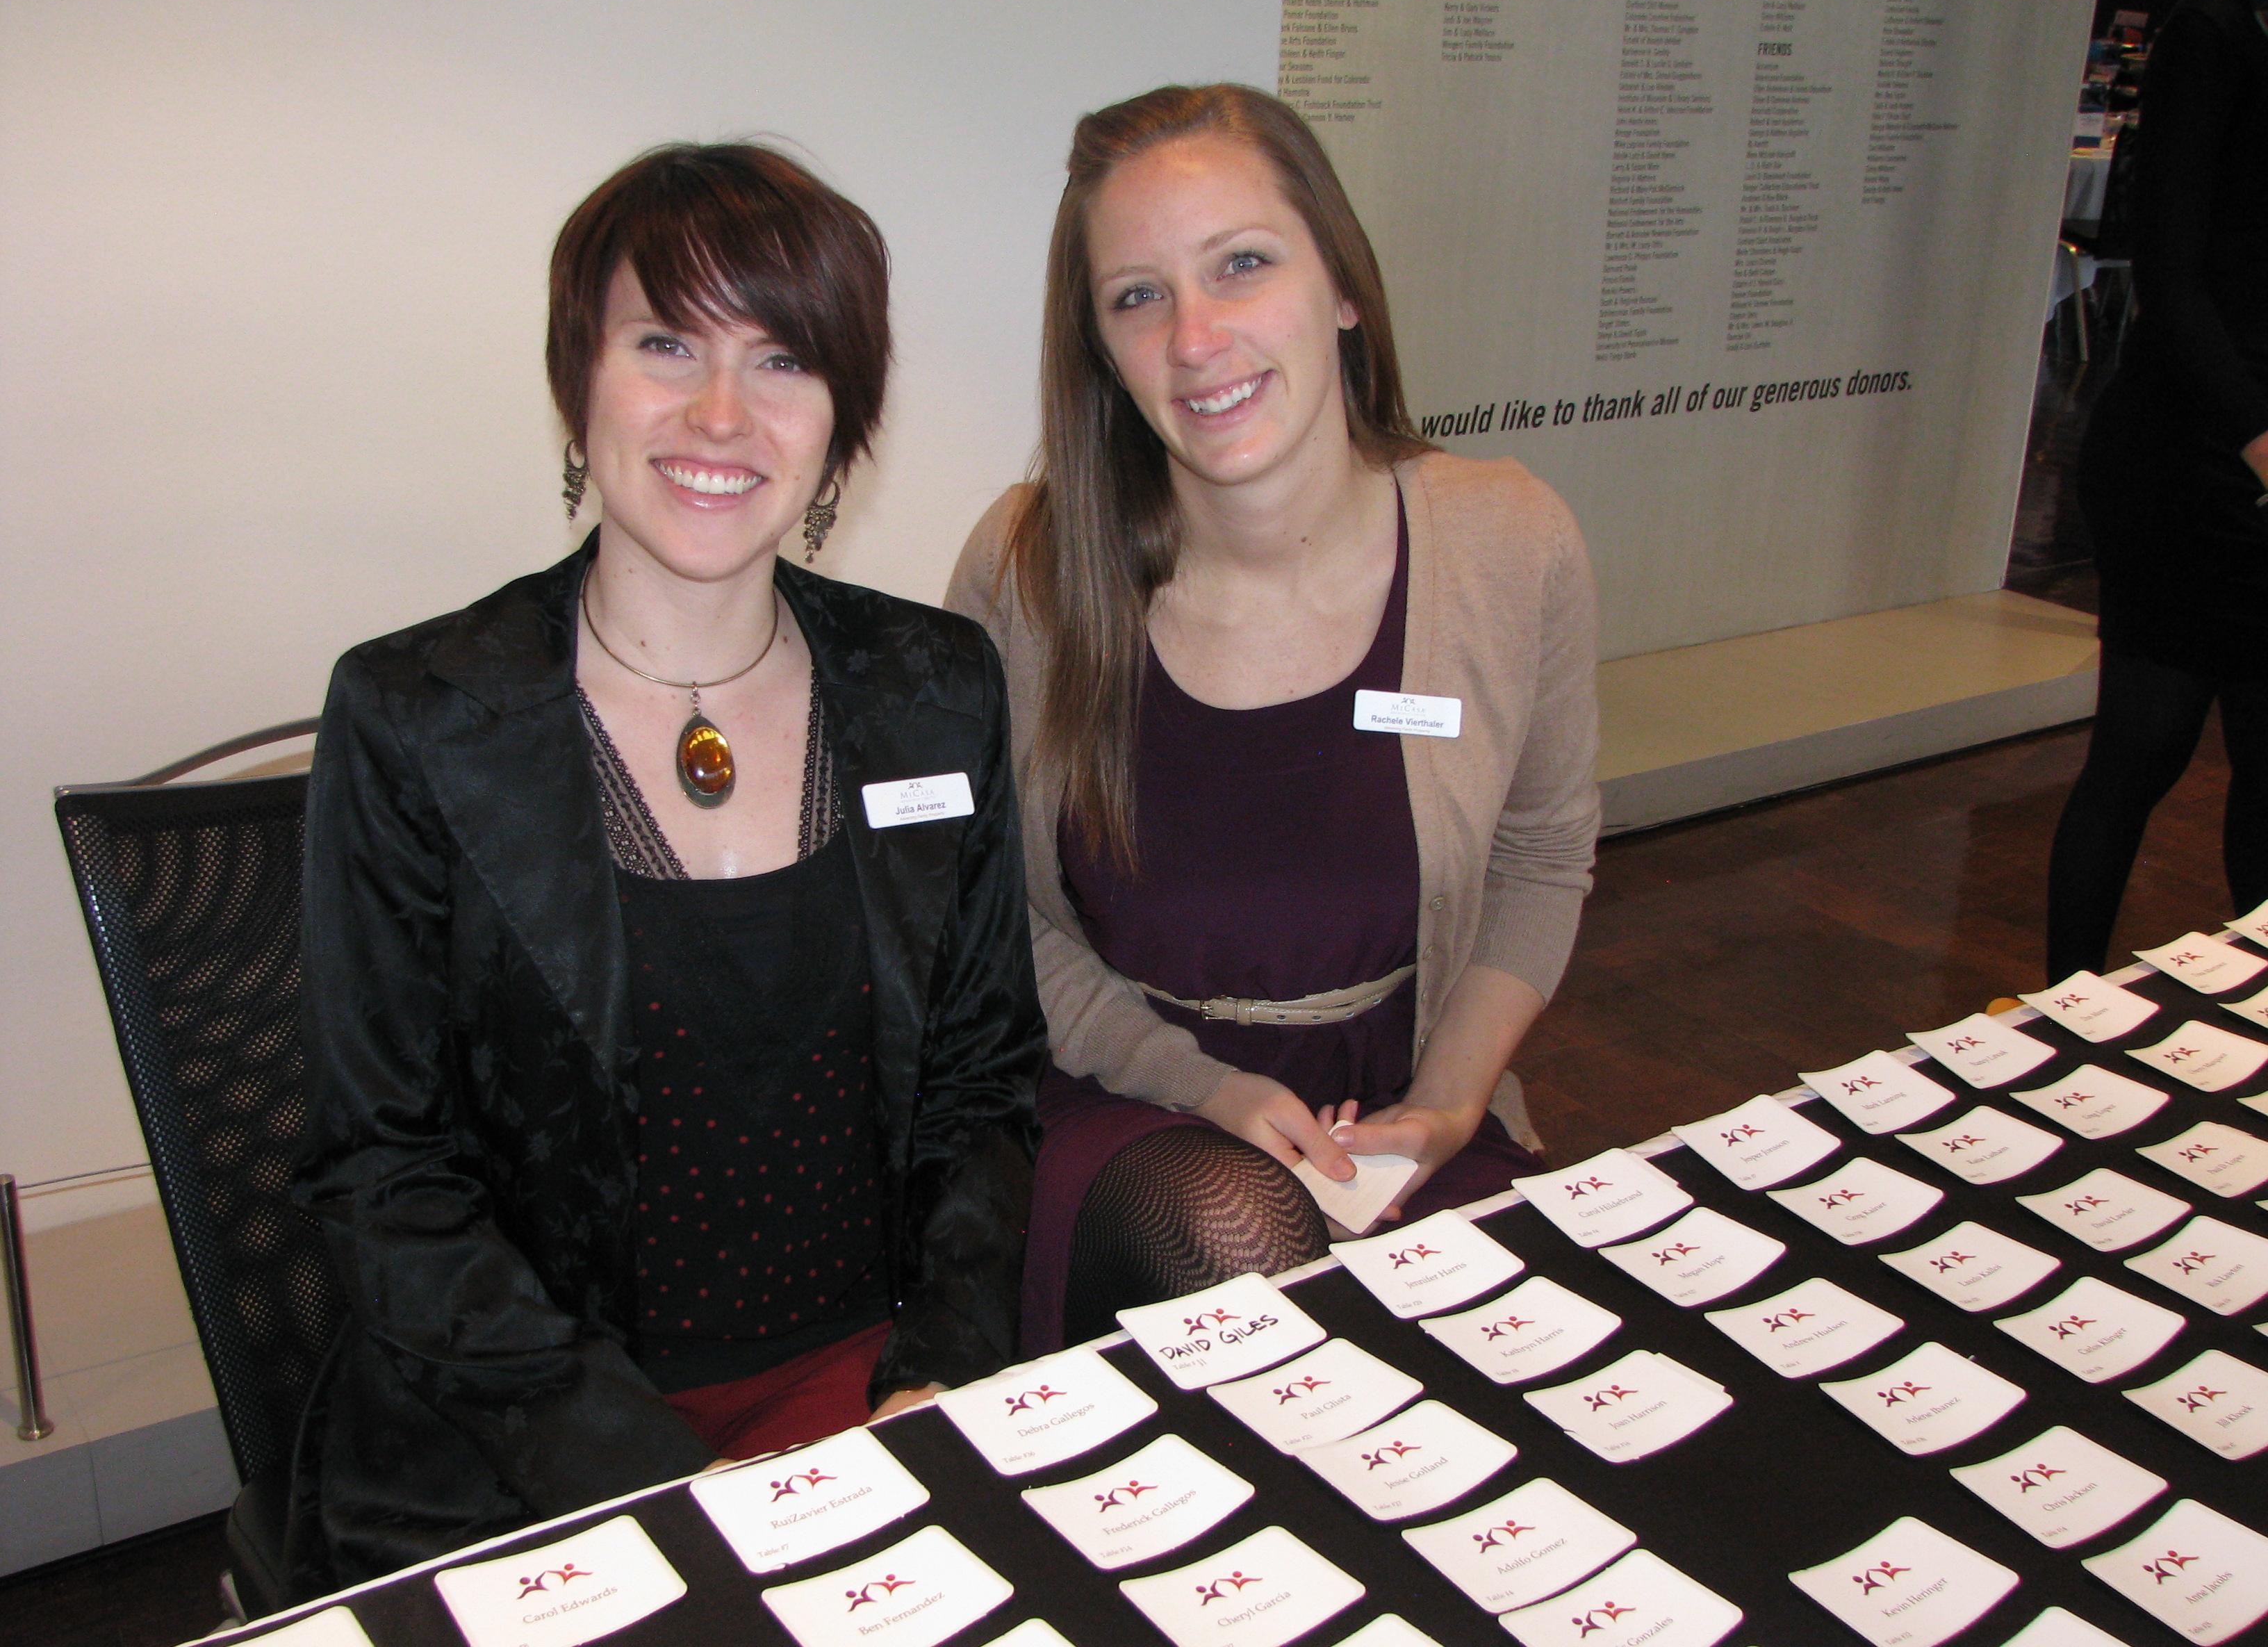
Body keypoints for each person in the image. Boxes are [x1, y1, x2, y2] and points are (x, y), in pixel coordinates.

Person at [293, 142, 1046, 1590]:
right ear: (580, 379)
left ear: (845, 418)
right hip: (541, 1442)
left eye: (782, 360)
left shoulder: (933, 685)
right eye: (665, 344)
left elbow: (981, 1075)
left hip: (879, 1391)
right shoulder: (420, 721)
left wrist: (941, 1368)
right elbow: (384, 1174)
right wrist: (660, 1477)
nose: (721, 413)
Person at [946, 85, 1598, 1354]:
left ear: (1343, 287)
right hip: (1122, 1095)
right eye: (1139, 297)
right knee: (1237, 1244)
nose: (1197, 338)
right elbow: (993, 916)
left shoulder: (1512, 543)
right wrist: (1204, 1085)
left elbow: (1540, 855)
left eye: (1241, 265)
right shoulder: (1028, 571)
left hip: (1408, 1098)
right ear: (1099, 347)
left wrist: (1453, 1105)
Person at [2046, 0, 2268, 980]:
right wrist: (2257, 434)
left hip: (2250, 453)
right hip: (2185, 460)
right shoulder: (2213, 30)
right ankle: (2063, 1010)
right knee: (2142, 749)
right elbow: (2171, 274)